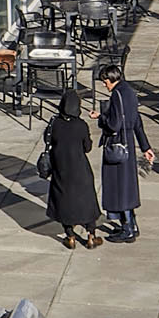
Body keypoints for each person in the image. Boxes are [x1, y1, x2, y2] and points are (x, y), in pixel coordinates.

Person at [43, 90, 104, 250]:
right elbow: (87, 147)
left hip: (61, 169)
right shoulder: (81, 125)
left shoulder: (55, 124)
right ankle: (91, 235)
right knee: (87, 201)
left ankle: (70, 236)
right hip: (80, 169)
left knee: (64, 201)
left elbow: (47, 140)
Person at [96, 72, 147, 242]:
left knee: (119, 189)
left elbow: (114, 124)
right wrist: (145, 146)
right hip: (128, 144)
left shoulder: (117, 94)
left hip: (117, 145)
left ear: (112, 79)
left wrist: (101, 117)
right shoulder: (130, 92)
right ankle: (132, 224)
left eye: (105, 81)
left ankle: (127, 229)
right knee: (127, 187)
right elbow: (137, 121)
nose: (105, 85)